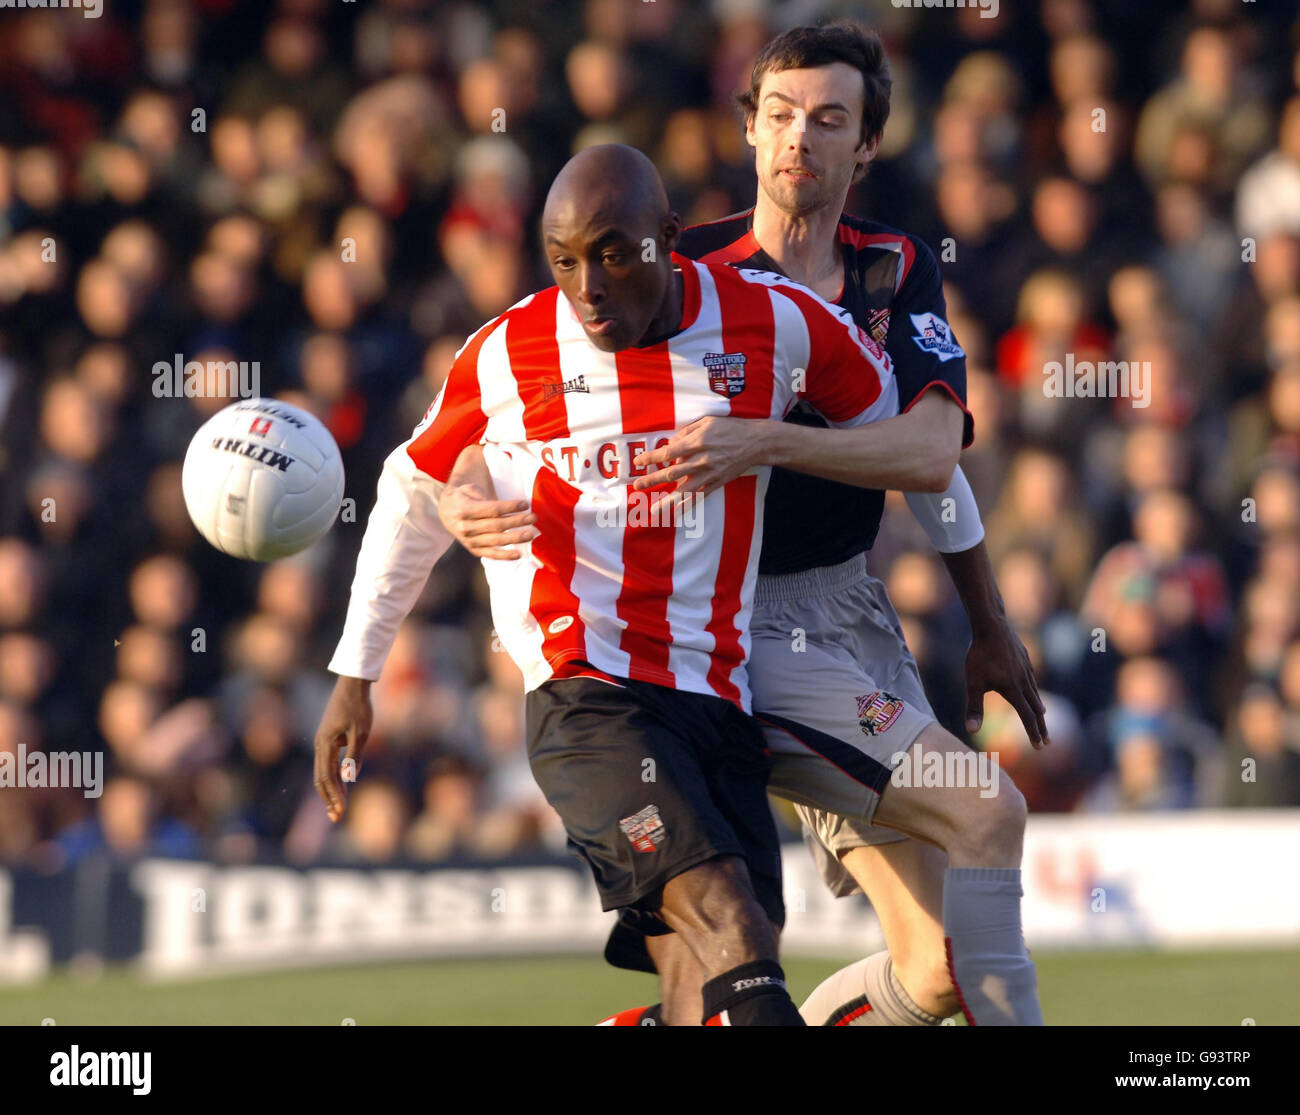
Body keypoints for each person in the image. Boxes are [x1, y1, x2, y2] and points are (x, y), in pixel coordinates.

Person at [442, 24, 1047, 1027]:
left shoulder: (893, 269)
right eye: (777, 115)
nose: (797, 138)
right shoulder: (676, 266)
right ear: (748, 130)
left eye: (828, 119)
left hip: (855, 608)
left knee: (935, 969)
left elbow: (929, 457)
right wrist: (464, 486)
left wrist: (985, 618)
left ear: (867, 147)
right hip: (736, 630)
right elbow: (516, 385)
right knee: (986, 810)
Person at [315, 142, 911, 1026]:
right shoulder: (510, 349)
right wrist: (355, 673)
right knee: (735, 934)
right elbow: (411, 485)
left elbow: (900, 437)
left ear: (669, 237)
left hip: (717, 691)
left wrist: (981, 609)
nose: (587, 287)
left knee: (704, 985)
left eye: (612, 253)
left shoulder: (775, 322)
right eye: (563, 261)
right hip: (586, 698)